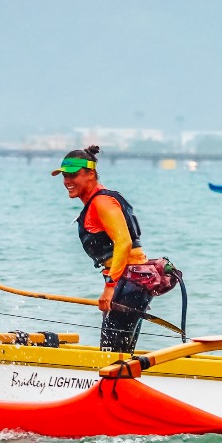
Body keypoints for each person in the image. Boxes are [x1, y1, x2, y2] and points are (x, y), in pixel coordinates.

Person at [53, 145, 152, 353]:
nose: (67, 181)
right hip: (131, 284)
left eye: (73, 175)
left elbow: (124, 243)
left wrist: (110, 286)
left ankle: (113, 384)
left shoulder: (102, 203)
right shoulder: (97, 201)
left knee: (111, 355)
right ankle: (121, 382)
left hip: (128, 283)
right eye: (64, 176)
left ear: (91, 174)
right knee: (120, 354)